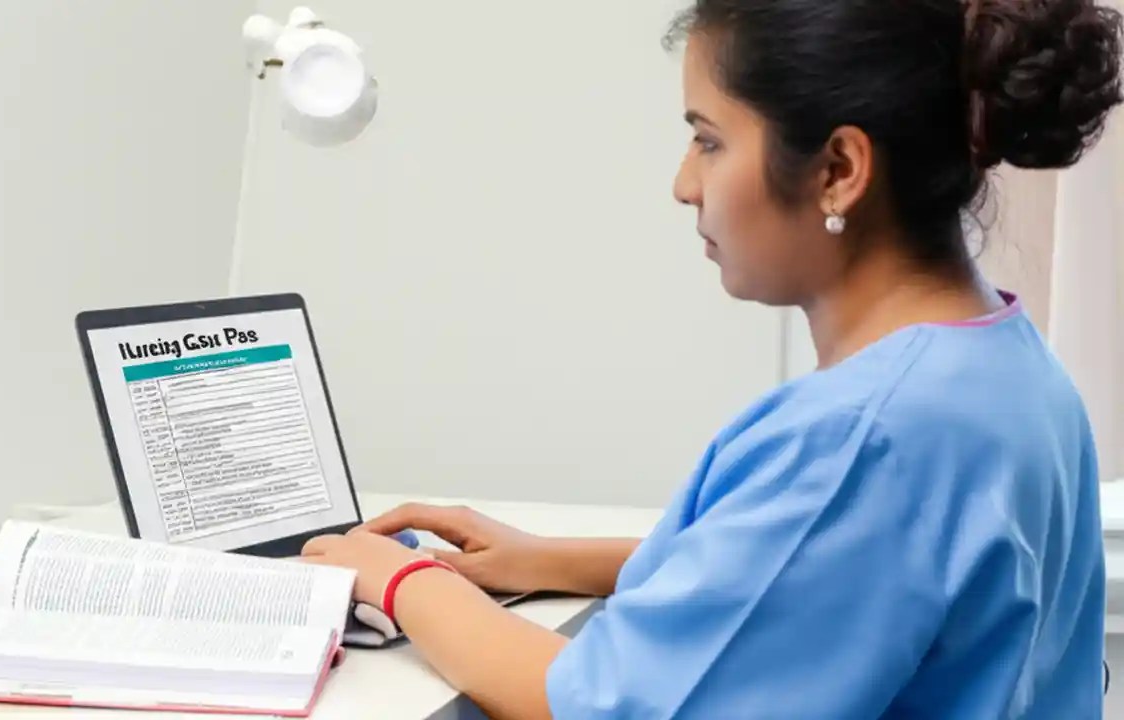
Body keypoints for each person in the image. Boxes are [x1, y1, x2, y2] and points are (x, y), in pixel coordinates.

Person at [302, 0, 1124, 716]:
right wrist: (546, 558)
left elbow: (598, 706)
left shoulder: (863, 438)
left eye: (709, 141)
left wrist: (401, 582)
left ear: (838, 170)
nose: (683, 184)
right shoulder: (1010, 370)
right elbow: (822, 584)